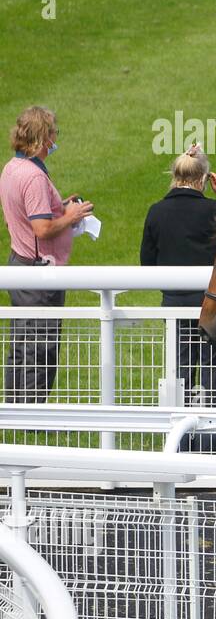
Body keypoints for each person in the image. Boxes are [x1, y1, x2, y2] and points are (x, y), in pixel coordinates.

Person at [140, 144, 216, 449]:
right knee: (210, 367)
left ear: (175, 176)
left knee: (179, 370)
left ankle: (179, 440)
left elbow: (147, 261)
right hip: (211, 304)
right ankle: (209, 441)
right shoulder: (214, 210)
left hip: (174, 304)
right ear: (204, 178)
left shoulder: (157, 211)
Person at [1, 106, 95, 403]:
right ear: (43, 139)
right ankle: (31, 417)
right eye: (54, 132)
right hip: (38, 274)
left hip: (20, 264)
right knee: (40, 347)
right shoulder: (34, 177)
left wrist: (62, 207)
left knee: (21, 345)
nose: (56, 138)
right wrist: (73, 214)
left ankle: (15, 410)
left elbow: (22, 217)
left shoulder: (11, 168)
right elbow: (41, 229)